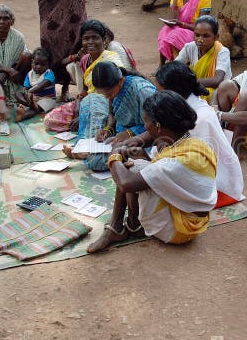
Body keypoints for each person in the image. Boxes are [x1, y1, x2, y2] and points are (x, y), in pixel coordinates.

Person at [87, 91, 218, 253]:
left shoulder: (176, 161)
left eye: (146, 122)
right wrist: (137, 147)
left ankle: (120, 228)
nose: (144, 126)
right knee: (138, 164)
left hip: (180, 229)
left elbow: (126, 183)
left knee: (132, 168)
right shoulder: (192, 142)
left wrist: (114, 154)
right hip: (190, 217)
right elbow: (152, 142)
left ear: (158, 126)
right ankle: (129, 226)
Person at [119, 62, 244, 208]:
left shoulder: (200, 118)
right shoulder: (187, 108)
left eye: (160, 92)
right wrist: (139, 140)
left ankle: (132, 224)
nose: (158, 96)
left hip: (218, 189)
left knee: (137, 173)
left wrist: (149, 158)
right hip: (202, 176)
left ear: (174, 92)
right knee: (139, 166)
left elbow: (190, 168)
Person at [62, 62, 155, 170]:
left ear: (120, 81)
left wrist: (130, 133)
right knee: (90, 100)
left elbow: (155, 127)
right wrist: (108, 128)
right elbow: (112, 113)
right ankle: (86, 149)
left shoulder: (143, 91)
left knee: (96, 162)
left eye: (109, 94)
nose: (108, 98)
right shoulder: (115, 90)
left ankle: (91, 155)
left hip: (142, 138)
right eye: (105, 95)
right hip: (118, 135)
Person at [43, 20, 130, 132]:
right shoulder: (85, 59)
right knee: (50, 121)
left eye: (95, 38)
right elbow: (85, 89)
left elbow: (118, 90)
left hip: (106, 105)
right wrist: (79, 106)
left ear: (103, 40)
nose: (90, 42)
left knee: (95, 127)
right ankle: (85, 123)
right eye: (86, 39)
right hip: (87, 102)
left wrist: (84, 114)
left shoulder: (111, 59)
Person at [156, 0, 212, 66]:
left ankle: (176, 65)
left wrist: (181, 24)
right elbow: (172, 19)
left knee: (174, 34)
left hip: (195, 32)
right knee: (165, 30)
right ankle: (161, 64)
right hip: (178, 28)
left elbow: (202, 26)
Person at [174, 15, 231, 101]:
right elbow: (174, 67)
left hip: (216, 91)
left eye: (206, 36)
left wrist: (187, 82)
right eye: (197, 35)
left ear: (216, 37)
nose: (200, 40)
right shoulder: (190, 47)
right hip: (195, 87)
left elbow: (217, 80)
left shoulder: (222, 52)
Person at [15, 48, 57, 120]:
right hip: (33, 97)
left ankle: (23, 116)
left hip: (47, 99)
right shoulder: (30, 74)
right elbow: (25, 88)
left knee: (35, 109)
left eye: (43, 65)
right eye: (36, 64)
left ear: (48, 65)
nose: (38, 67)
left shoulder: (49, 74)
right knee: (18, 93)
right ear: (32, 62)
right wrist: (26, 94)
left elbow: (40, 86)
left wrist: (29, 93)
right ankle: (26, 104)